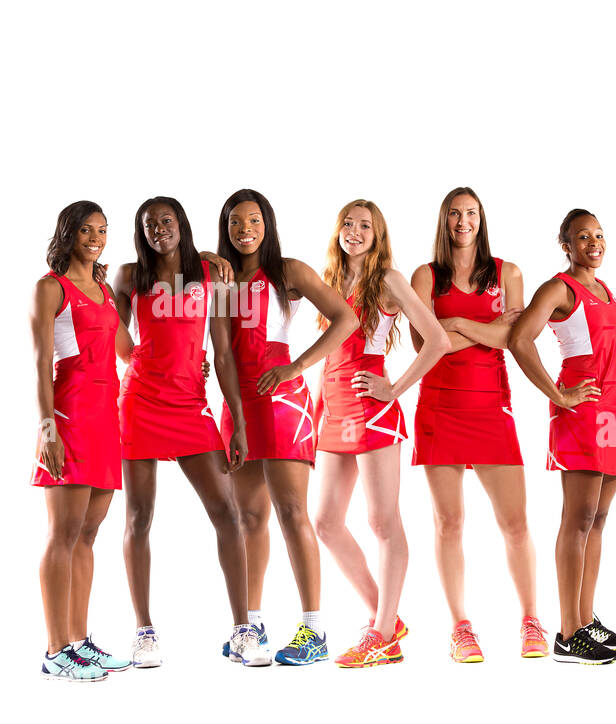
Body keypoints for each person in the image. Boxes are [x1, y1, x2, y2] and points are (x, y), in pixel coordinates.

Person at [215, 188, 358, 666]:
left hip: (281, 401)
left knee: (292, 511)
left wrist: (296, 367)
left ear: (267, 223)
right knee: (248, 518)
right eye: (235, 221)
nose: (245, 230)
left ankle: (313, 629)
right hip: (236, 404)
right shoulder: (219, 277)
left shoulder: (288, 271)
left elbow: (346, 318)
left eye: (253, 220)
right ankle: (250, 626)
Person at [111, 196, 253, 668]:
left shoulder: (215, 277)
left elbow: (225, 353)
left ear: (181, 224)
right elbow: (112, 331)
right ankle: (144, 632)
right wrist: (139, 362)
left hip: (192, 407)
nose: (159, 230)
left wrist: (236, 419)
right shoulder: (130, 276)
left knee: (227, 514)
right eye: (150, 225)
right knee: (138, 517)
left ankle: (242, 629)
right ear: (142, 231)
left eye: (166, 221)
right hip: (139, 405)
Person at [409, 187, 547, 662]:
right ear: (443, 221)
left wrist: (457, 327)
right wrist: (482, 328)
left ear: (481, 219)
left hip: (491, 407)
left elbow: (515, 338)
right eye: (454, 214)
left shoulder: (508, 273)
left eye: (471, 214)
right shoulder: (424, 277)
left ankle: (531, 619)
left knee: (515, 523)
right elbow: (425, 346)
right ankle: (460, 627)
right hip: (440, 407)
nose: (463, 222)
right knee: (449, 522)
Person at [311, 200, 449, 668]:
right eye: (348, 223)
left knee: (382, 522)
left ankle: (382, 632)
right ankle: (384, 619)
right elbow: (327, 352)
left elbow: (438, 339)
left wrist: (394, 388)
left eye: (365, 225)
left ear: (378, 234)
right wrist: (315, 411)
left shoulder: (388, 280)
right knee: (325, 522)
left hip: (372, 410)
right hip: (333, 408)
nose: (355, 231)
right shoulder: (330, 279)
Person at [508, 209, 616, 664]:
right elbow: (520, 338)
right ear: (566, 244)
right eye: (583, 237)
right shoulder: (561, 288)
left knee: (598, 521)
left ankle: (584, 619)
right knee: (577, 519)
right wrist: (558, 395)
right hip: (581, 414)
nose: (594, 243)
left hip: (613, 416)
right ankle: (566, 634)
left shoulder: (607, 291)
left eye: (599, 235)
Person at [32, 201, 132, 680]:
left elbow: (127, 352)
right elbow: (39, 364)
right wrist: (47, 428)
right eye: (86, 230)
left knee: (89, 534)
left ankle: (78, 640)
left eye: (103, 231)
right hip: (69, 417)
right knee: (64, 533)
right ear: (68, 233)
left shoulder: (107, 291)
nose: (95, 238)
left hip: (106, 420)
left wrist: (183, 357)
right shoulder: (52, 289)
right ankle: (55, 650)